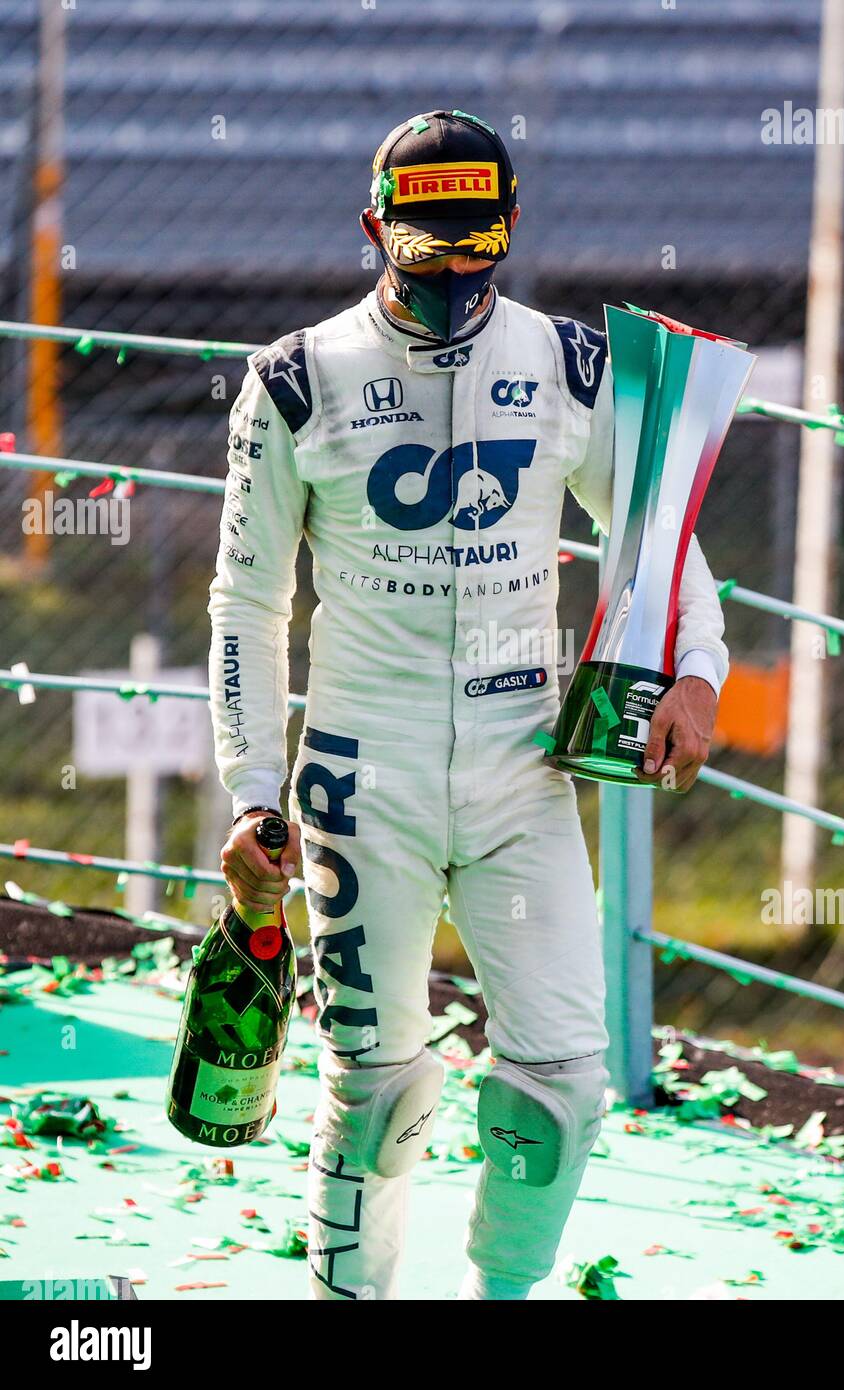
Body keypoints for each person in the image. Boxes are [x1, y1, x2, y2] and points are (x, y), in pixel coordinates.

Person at [208, 109, 729, 1301]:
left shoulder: (570, 361)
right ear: (371, 227)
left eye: (475, 238)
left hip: (521, 768)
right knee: (374, 1082)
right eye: (423, 239)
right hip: (356, 774)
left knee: (562, 1076)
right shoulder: (291, 380)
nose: (450, 267)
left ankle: (503, 1292)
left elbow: (654, 528)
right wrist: (249, 790)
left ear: (510, 225)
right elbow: (244, 601)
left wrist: (697, 669)